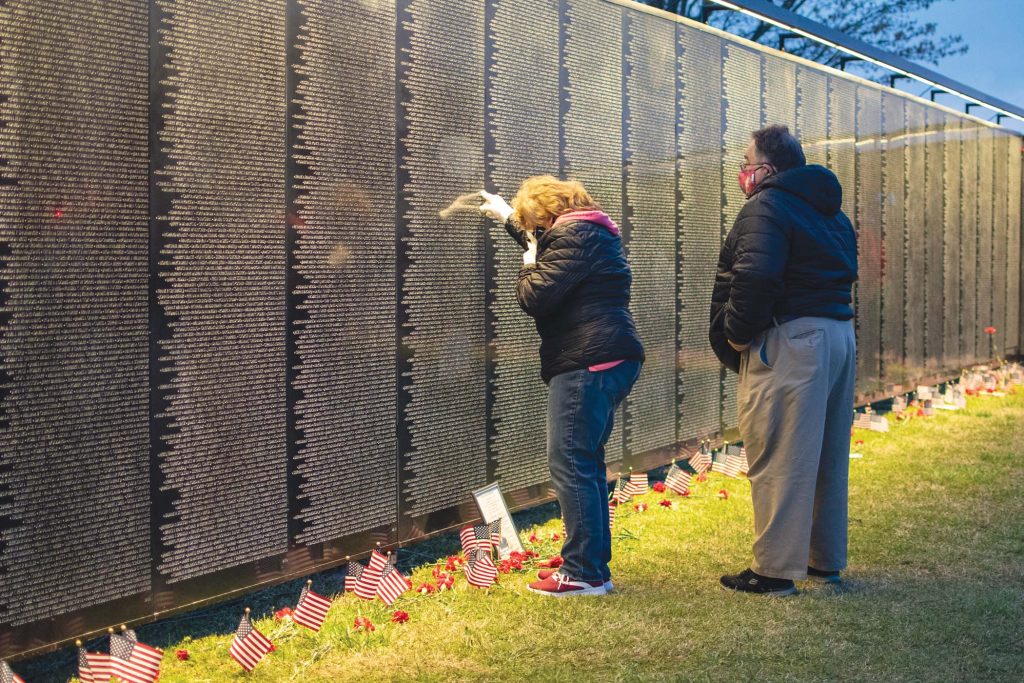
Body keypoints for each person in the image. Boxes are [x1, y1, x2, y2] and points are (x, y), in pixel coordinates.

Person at [709, 125, 858, 596]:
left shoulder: (767, 205)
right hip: (837, 336)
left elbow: (755, 277)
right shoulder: (832, 212)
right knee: (826, 455)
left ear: (767, 169)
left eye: (747, 163)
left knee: (778, 451)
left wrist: (736, 335)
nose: (742, 172)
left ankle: (773, 570)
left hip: (792, 339)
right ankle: (823, 560)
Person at [479, 176, 644, 597]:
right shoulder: (587, 232)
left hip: (587, 362)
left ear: (550, 215)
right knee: (582, 464)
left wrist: (528, 259)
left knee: (571, 463)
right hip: (606, 357)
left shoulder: (573, 235)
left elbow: (536, 295)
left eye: (535, 223)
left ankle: (584, 573)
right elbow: (557, 260)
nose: (533, 232)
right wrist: (508, 219)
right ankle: (591, 567)